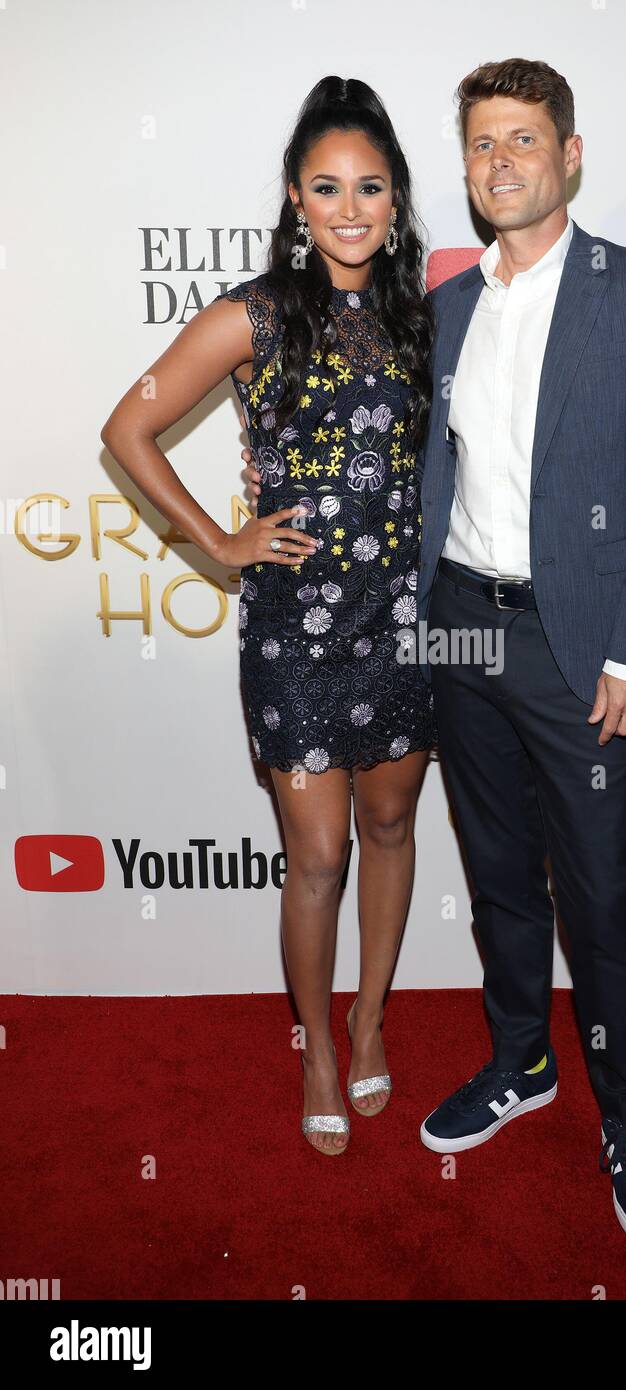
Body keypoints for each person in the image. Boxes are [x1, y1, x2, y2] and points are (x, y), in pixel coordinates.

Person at [101, 77, 437, 1156]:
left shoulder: (426, 317)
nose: (350, 206)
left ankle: (372, 1017)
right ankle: (320, 1051)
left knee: (391, 827)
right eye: (327, 186)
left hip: (399, 625)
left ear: (395, 199)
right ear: (296, 197)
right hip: (292, 636)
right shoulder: (253, 314)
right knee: (319, 857)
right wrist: (221, 539)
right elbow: (130, 428)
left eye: (371, 186)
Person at [415, 59, 626, 1245]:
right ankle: (521, 1061)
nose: (500, 163)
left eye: (522, 140)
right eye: (481, 143)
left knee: (598, 901)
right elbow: (436, 475)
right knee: (494, 875)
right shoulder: (446, 306)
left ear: (568, 155)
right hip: (459, 623)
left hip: (580, 647)